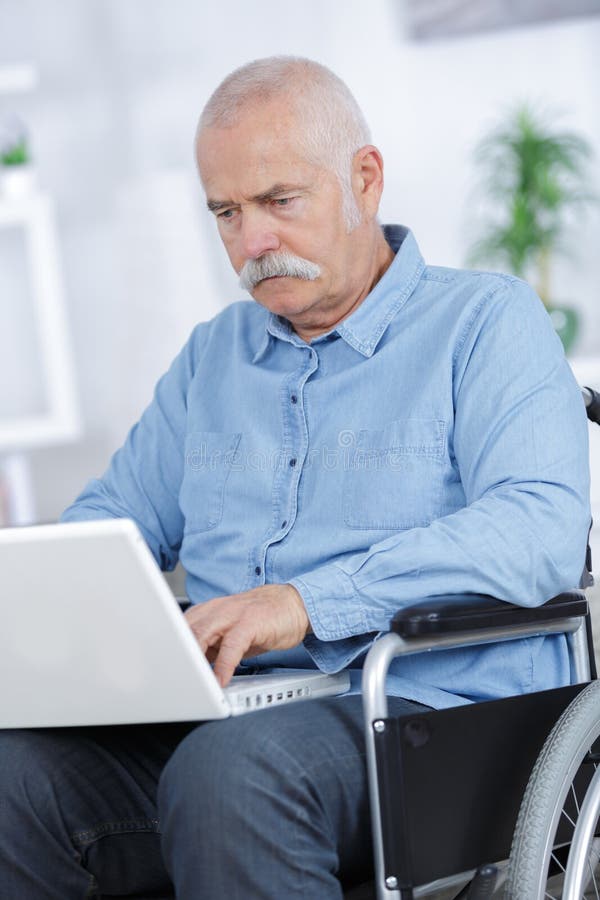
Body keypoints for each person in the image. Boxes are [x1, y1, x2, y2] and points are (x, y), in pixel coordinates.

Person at [0, 56, 591, 899]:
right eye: (226, 214)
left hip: (427, 719)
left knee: (232, 776)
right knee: (14, 776)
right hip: (225, 720)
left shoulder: (484, 324)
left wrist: (305, 602)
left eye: (279, 202)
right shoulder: (215, 357)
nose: (252, 243)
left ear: (365, 178)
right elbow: (111, 521)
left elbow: (537, 529)